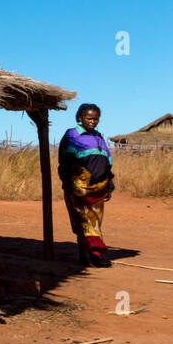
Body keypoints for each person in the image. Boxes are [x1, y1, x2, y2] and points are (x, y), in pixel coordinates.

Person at [58, 103, 114, 267]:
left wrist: (109, 185)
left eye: (96, 119)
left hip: (99, 188)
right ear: (79, 118)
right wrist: (67, 184)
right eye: (89, 118)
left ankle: (85, 256)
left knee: (94, 223)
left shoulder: (99, 137)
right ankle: (95, 256)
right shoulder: (72, 135)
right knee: (84, 223)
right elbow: (64, 162)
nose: (93, 121)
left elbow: (107, 162)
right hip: (79, 188)